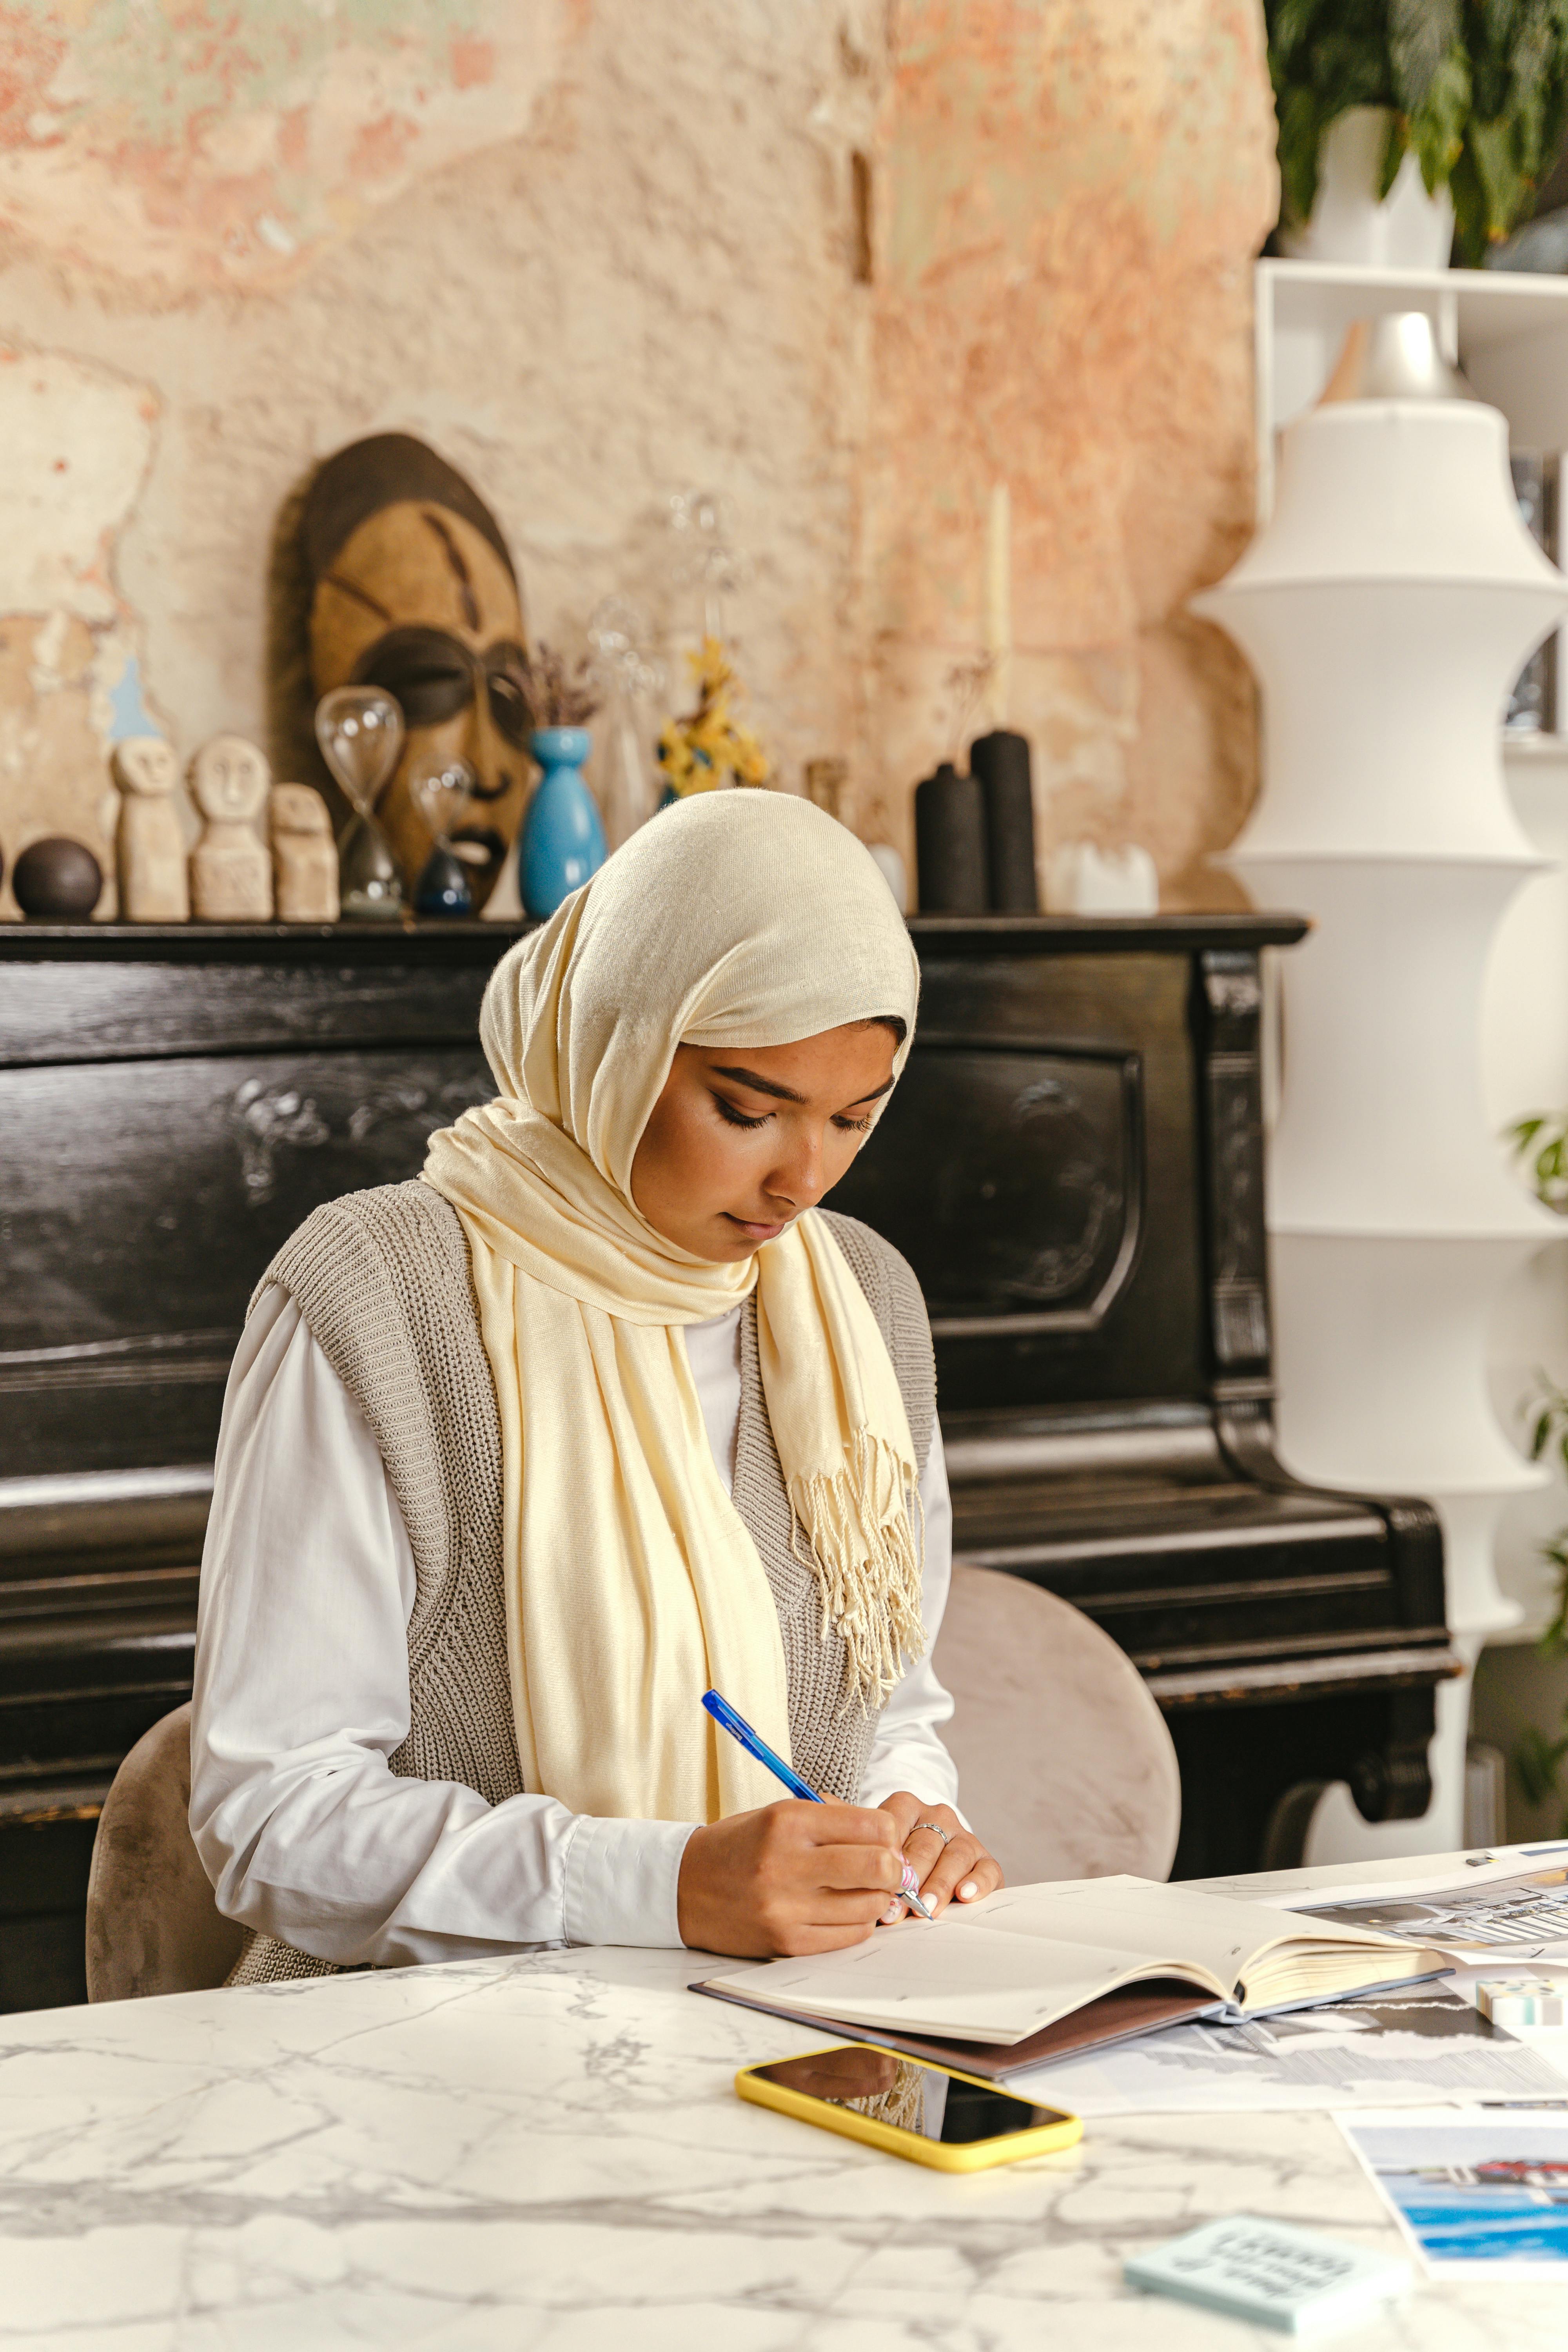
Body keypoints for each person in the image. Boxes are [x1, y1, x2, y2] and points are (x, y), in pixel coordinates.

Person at [190, 791, 1002, 1980]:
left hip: (795, 2054)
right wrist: (664, 1885)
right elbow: (271, 1818)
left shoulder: (862, 1302)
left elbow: (891, 1712)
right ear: (618, 1040)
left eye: (853, 1120)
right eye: (747, 1110)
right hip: (424, 2082)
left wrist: (907, 1821)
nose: (803, 1182)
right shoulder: (380, 1294)